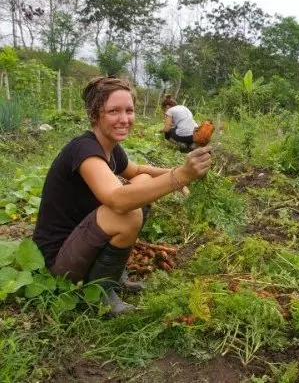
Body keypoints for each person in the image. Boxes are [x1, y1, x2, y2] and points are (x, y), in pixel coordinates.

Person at [32, 77, 212, 316]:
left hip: (82, 241)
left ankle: (111, 274)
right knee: (127, 213)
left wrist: (180, 175)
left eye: (129, 110)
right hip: (60, 259)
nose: (124, 119)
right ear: (95, 115)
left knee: (143, 184)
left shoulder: (110, 147)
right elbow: (117, 199)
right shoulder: (84, 150)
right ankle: (99, 293)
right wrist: (179, 177)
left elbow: (136, 171)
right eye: (113, 111)